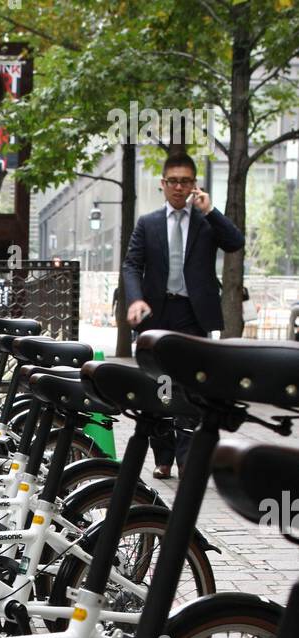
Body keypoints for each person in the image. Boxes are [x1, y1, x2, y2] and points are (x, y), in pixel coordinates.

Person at [122, 152, 244, 478]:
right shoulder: (147, 224)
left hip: (193, 314)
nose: (179, 187)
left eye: (185, 181)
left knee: (190, 387)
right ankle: (162, 458)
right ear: (163, 184)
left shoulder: (206, 222)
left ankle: (187, 457)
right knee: (159, 386)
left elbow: (235, 242)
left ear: (194, 185)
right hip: (156, 313)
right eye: (173, 181)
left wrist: (211, 210)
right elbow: (132, 264)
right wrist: (134, 300)